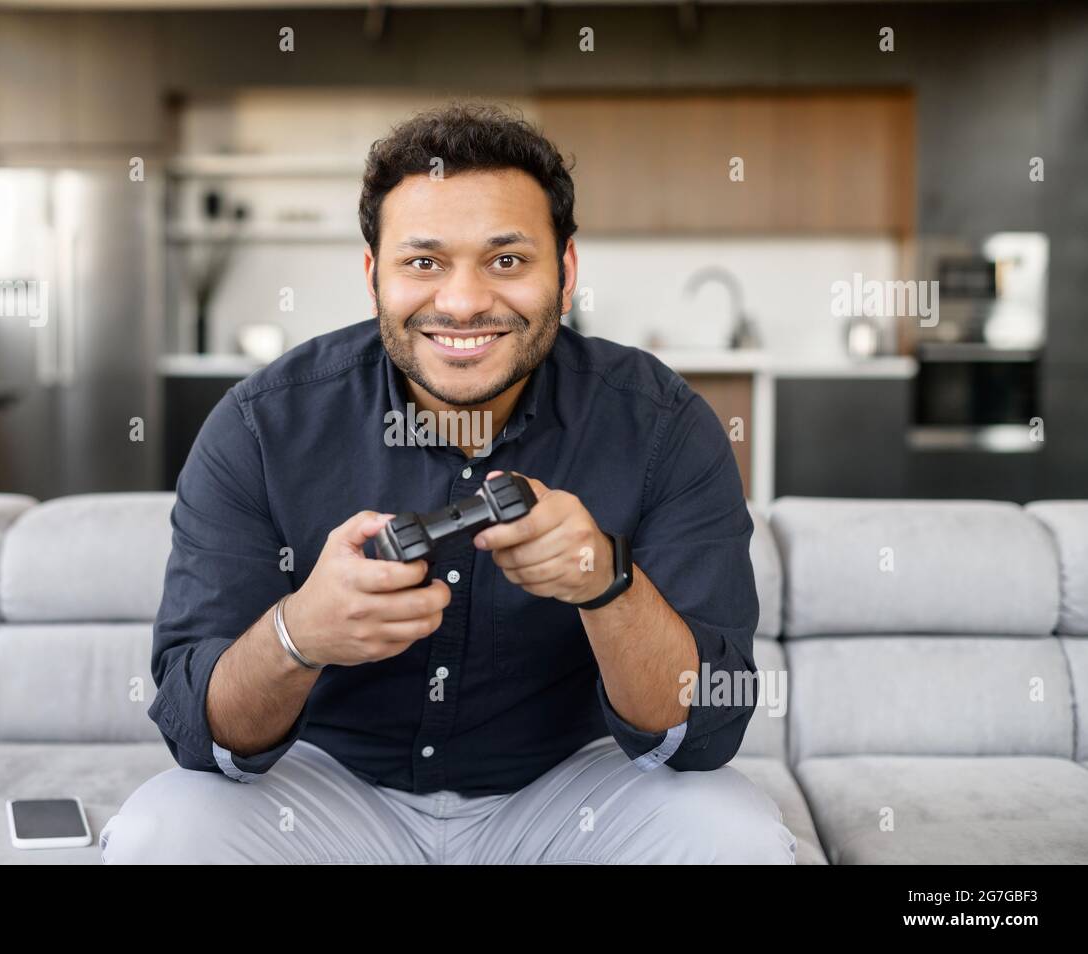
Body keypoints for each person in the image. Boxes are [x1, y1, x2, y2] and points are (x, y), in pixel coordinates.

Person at [100, 102, 796, 864]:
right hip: (331, 788)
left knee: (738, 839)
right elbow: (196, 730)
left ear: (563, 275)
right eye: (423, 262)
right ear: (374, 277)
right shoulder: (262, 426)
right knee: (159, 837)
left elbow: (708, 729)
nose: (462, 303)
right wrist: (299, 634)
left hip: (570, 790)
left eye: (506, 261)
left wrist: (607, 583)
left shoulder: (663, 425)